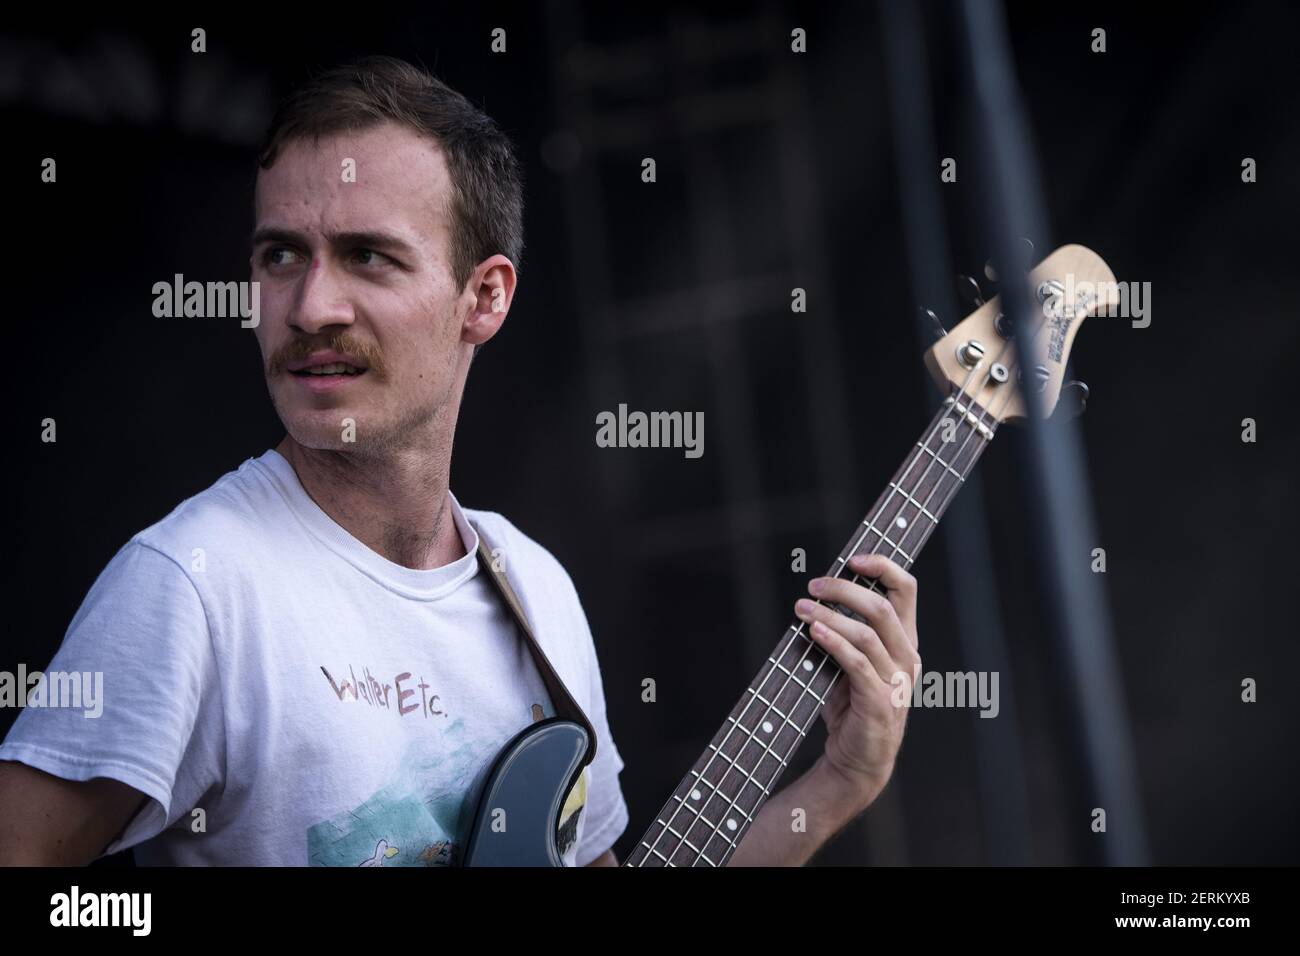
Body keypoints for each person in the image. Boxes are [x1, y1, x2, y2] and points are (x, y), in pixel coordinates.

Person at [0, 56, 920, 867]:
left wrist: (834, 787)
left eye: (367, 257)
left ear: (484, 298)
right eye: (283, 254)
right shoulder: (191, 587)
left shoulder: (538, 591)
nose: (311, 305)